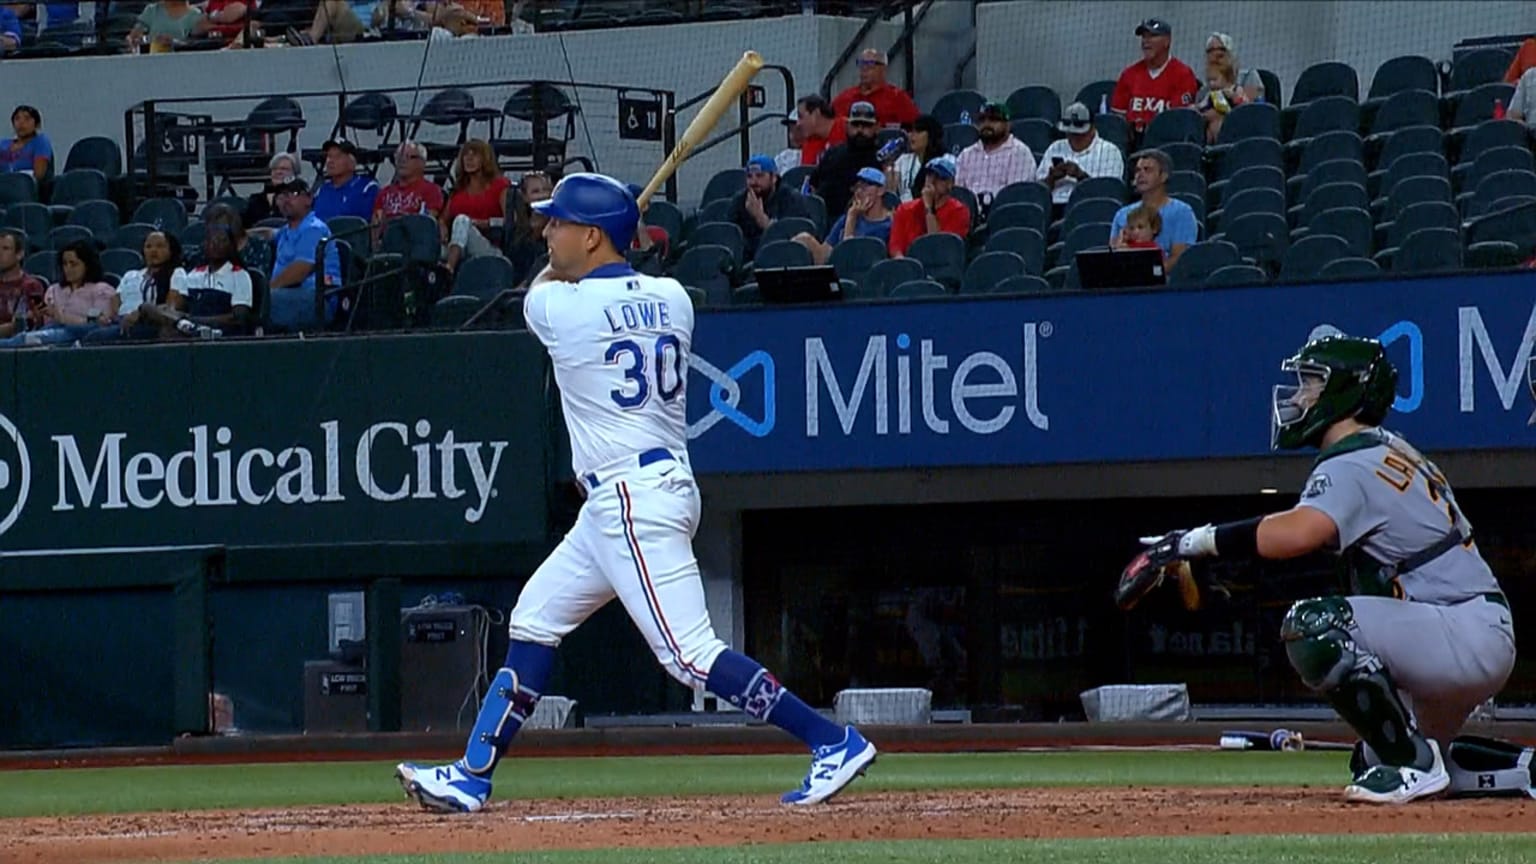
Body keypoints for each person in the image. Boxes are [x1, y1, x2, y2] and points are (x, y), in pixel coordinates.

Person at [395, 173, 878, 814]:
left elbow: (544, 285)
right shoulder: (673, 296)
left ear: (593, 236)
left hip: (632, 498)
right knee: (535, 619)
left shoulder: (558, 308)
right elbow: (611, 283)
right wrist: (609, 243)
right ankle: (471, 776)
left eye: (561, 223)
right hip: (635, 494)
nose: (547, 232)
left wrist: (588, 252)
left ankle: (832, 741)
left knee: (690, 655)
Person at [1120, 334, 1527, 805]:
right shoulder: (1388, 448)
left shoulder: (1353, 460)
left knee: (1313, 624)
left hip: (1458, 629)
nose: (1298, 397)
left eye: (1311, 383)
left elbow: (1298, 533)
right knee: (1377, 757)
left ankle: (1413, 766)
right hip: (1463, 629)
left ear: (1345, 391)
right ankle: (1522, 768)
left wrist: (1193, 541)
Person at [0, 239, 117, 346]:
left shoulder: (102, 291)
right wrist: (36, 317)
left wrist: (61, 318)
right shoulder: (54, 290)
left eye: (73, 264)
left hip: (79, 335)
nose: (68, 268)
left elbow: (99, 324)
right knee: (30, 336)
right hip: (50, 332)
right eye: (65, 264)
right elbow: (45, 324)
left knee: (29, 339)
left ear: (87, 265)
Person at [1111, 18, 1200, 140]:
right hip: (1132, 141)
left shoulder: (1183, 74)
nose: (1146, 41)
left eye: (1152, 36)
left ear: (1167, 41)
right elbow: (1117, 119)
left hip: (1166, 141)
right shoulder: (1129, 75)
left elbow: (1179, 120)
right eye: (1144, 37)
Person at [1109, 149, 1197, 270]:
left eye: (1147, 170)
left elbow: (1179, 258)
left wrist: (1150, 274)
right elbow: (1112, 254)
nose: (1140, 175)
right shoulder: (1122, 214)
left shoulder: (1182, 212)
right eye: (1137, 170)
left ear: (1163, 176)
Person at [793, 167, 892, 265]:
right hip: (834, 269)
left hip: (860, 270)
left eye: (865, 186)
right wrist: (808, 241)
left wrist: (852, 218)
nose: (859, 192)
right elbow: (826, 253)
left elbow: (850, 259)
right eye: (857, 187)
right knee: (802, 239)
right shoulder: (846, 218)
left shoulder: (887, 225)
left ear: (880, 190)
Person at [1037, 102, 1125, 211]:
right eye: (1070, 133)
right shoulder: (1055, 147)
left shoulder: (1110, 151)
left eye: (1079, 134)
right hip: (1053, 207)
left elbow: (1108, 195)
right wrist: (1052, 178)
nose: (1074, 138)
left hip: (1089, 209)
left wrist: (1081, 176)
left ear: (1092, 128)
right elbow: (1037, 192)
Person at [442, 138, 511, 273]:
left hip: (488, 245)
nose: (469, 158)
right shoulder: (458, 190)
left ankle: (448, 269)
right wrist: (442, 227)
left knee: (462, 220)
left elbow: (510, 221)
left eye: (475, 154)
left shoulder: (500, 185)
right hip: (457, 244)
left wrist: (481, 223)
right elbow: (443, 219)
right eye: (466, 155)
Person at [110, 230, 188, 341]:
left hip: (147, 323)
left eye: (160, 246)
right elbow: (115, 300)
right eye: (148, 247)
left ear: (171, 250)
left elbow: (171, 309)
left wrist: (140, 315)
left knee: (95, 336)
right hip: (120, 321)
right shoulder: (130, 275)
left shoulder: (177, 273)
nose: (153, 250)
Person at [808, 100, 882, 218]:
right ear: (847, 125)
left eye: (866, 125)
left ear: (876, 127)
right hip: (825, 218)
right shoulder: (833, 153)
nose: (860, 130)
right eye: (855, 125)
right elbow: (813, 185)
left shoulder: (881, 158)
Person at [729, 154, 812, 259]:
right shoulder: (740, 201)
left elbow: (791, 240)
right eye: (749, 177)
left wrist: (761, 218)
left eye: (760, 176)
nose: (753, 182)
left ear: (774, 178)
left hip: (782, 258)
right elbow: (731, 238)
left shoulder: (790, 199)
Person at [888, 155, 969, 258]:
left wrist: (929, 209)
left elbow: (937, 248)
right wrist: (904, 264)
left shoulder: (959, 212)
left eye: (939, 178)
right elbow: (895, 247)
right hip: (909, 264)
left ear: (950, 184)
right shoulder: (905, 209)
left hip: (941, 266)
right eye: (929, 175)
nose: (932, 182)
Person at [830, 48, 919, 132]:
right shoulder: (845, 97)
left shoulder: (897, 98)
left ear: (883, 69)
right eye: (861, 64)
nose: (864, 69)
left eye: (870, 64)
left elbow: (917, 128)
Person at [886, 114, 944, 204]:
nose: (912, 135)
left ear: (931, 135)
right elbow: (891, 193)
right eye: (911, 131)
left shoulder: (945, 161)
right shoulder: (902, 160)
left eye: (918, 131)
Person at [245, 153, 300, 227]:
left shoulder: (300, 200)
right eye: (274, 169)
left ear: (294, 174)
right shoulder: (256, 200)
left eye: (284, 169)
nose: (278, 172)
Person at [1, 106, 53, 178]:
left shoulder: (40, 141)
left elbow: (39, 175)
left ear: (37, 125)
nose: (21, 122)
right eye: (17, 119)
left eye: (27, 119)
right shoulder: (2, 144)